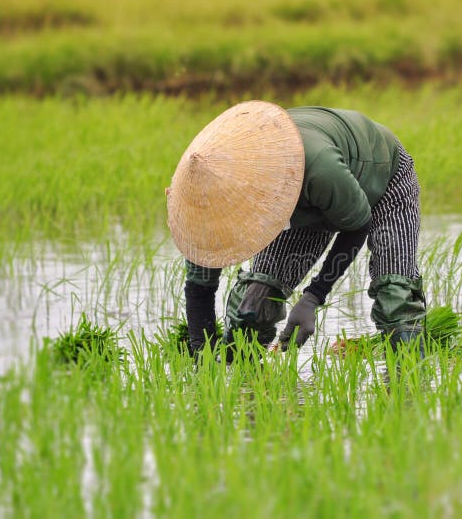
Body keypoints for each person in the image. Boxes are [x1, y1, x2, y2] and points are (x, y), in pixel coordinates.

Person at [165, 101, 426, 357]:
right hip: (307, 201)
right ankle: (248, 390)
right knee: (253, 306)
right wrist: (204, 358)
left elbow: (358, 224)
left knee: (396, 299)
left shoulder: (319, 167)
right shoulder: (203, 202)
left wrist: (313, 297)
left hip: (383, 177)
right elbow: (199, 287)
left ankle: (411, 388)